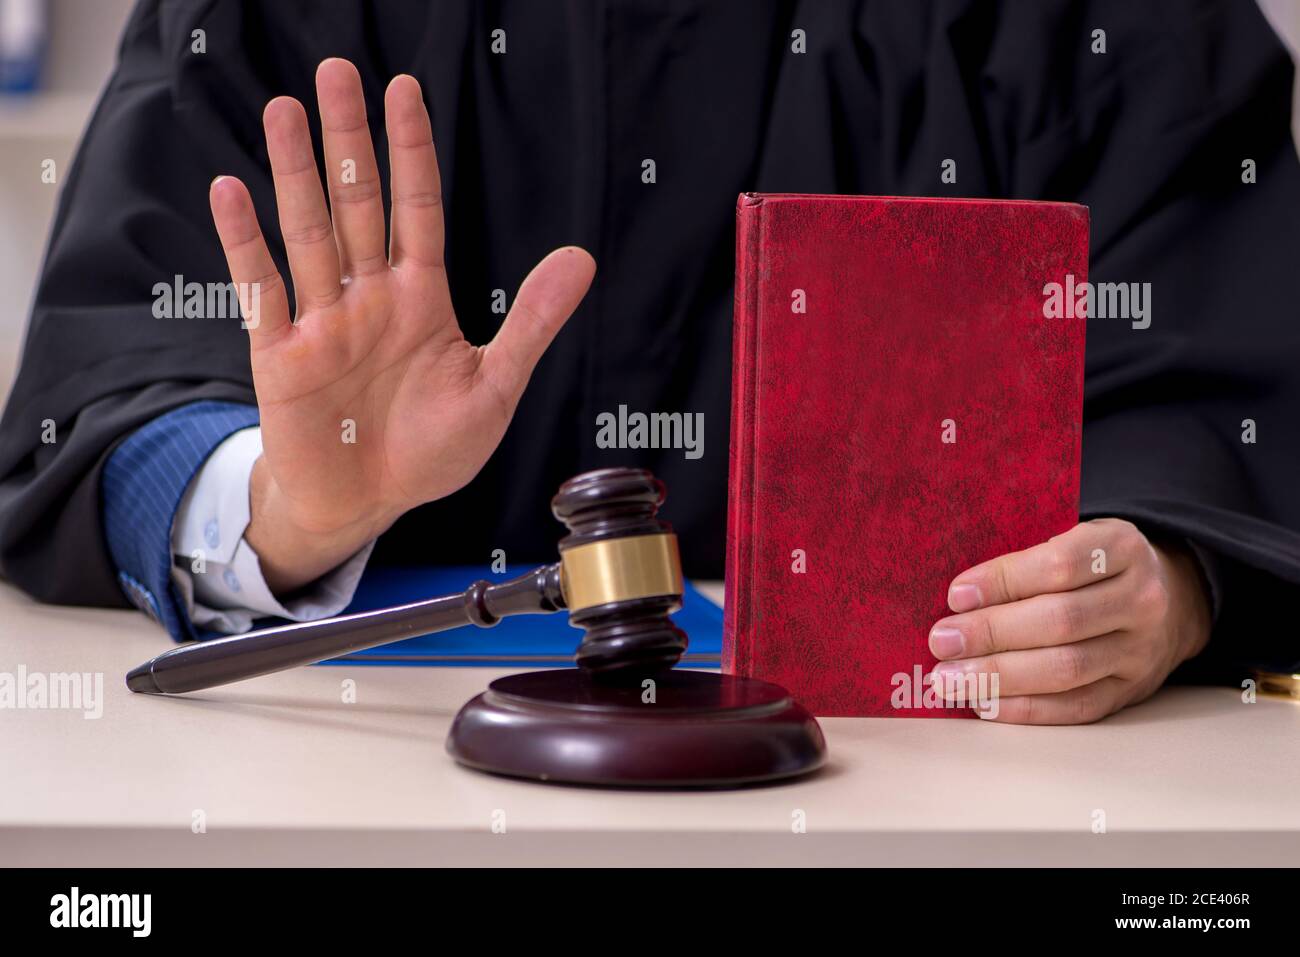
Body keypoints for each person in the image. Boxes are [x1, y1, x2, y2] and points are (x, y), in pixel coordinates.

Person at [2, 0, 1298, 724]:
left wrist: (1168, 581)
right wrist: (290, 507)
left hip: (953, 808)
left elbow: (1216, 359)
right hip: (363, 790)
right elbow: (106, 402)